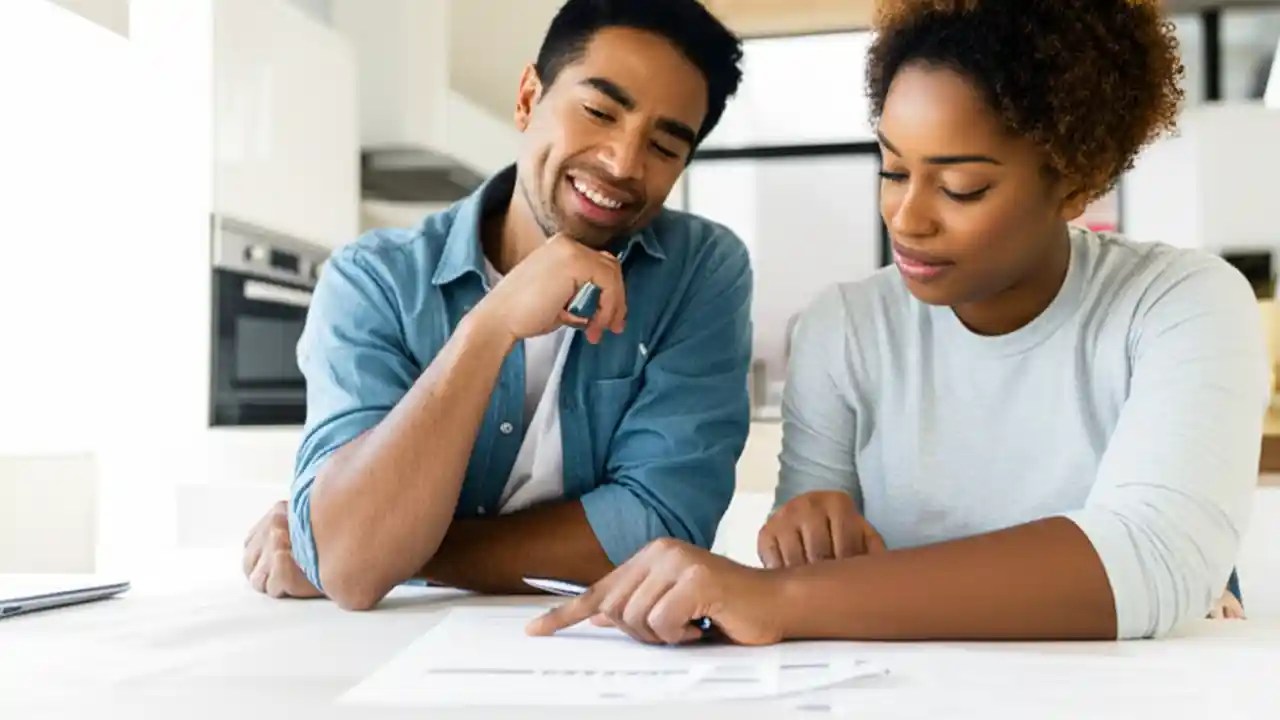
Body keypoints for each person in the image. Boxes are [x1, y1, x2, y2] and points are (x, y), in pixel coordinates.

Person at [527, 0, 1265, 645]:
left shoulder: (1182, 304)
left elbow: (1154, 558)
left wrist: (776, 595)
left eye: (962, 186)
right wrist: (804, 530)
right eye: (892, 169)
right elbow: (818, 566)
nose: (906, 219)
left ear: (1076, 182)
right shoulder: (845, 327)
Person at [240, 0, 751, 611]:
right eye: (598, 112)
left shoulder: (701, 271)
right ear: (529, 97)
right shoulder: (373, 279)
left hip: (605, 659)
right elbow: (352, 563)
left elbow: (660, 526)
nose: (622, 163)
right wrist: (492, 324)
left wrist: (394, 552)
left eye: (665, 147)